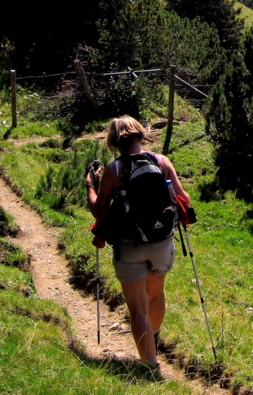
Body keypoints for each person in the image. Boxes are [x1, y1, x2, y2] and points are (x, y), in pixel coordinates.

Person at [86, 115, 192, 371]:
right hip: (162, 241)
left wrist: (91, 185)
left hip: (130, 244)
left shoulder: (114, 170)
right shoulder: (161, 161)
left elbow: (99, 211)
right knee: (156, 294)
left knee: (138, 309)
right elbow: (184, 198)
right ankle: (153, 336)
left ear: (114, 142)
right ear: (140, 135)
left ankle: (149, 365)